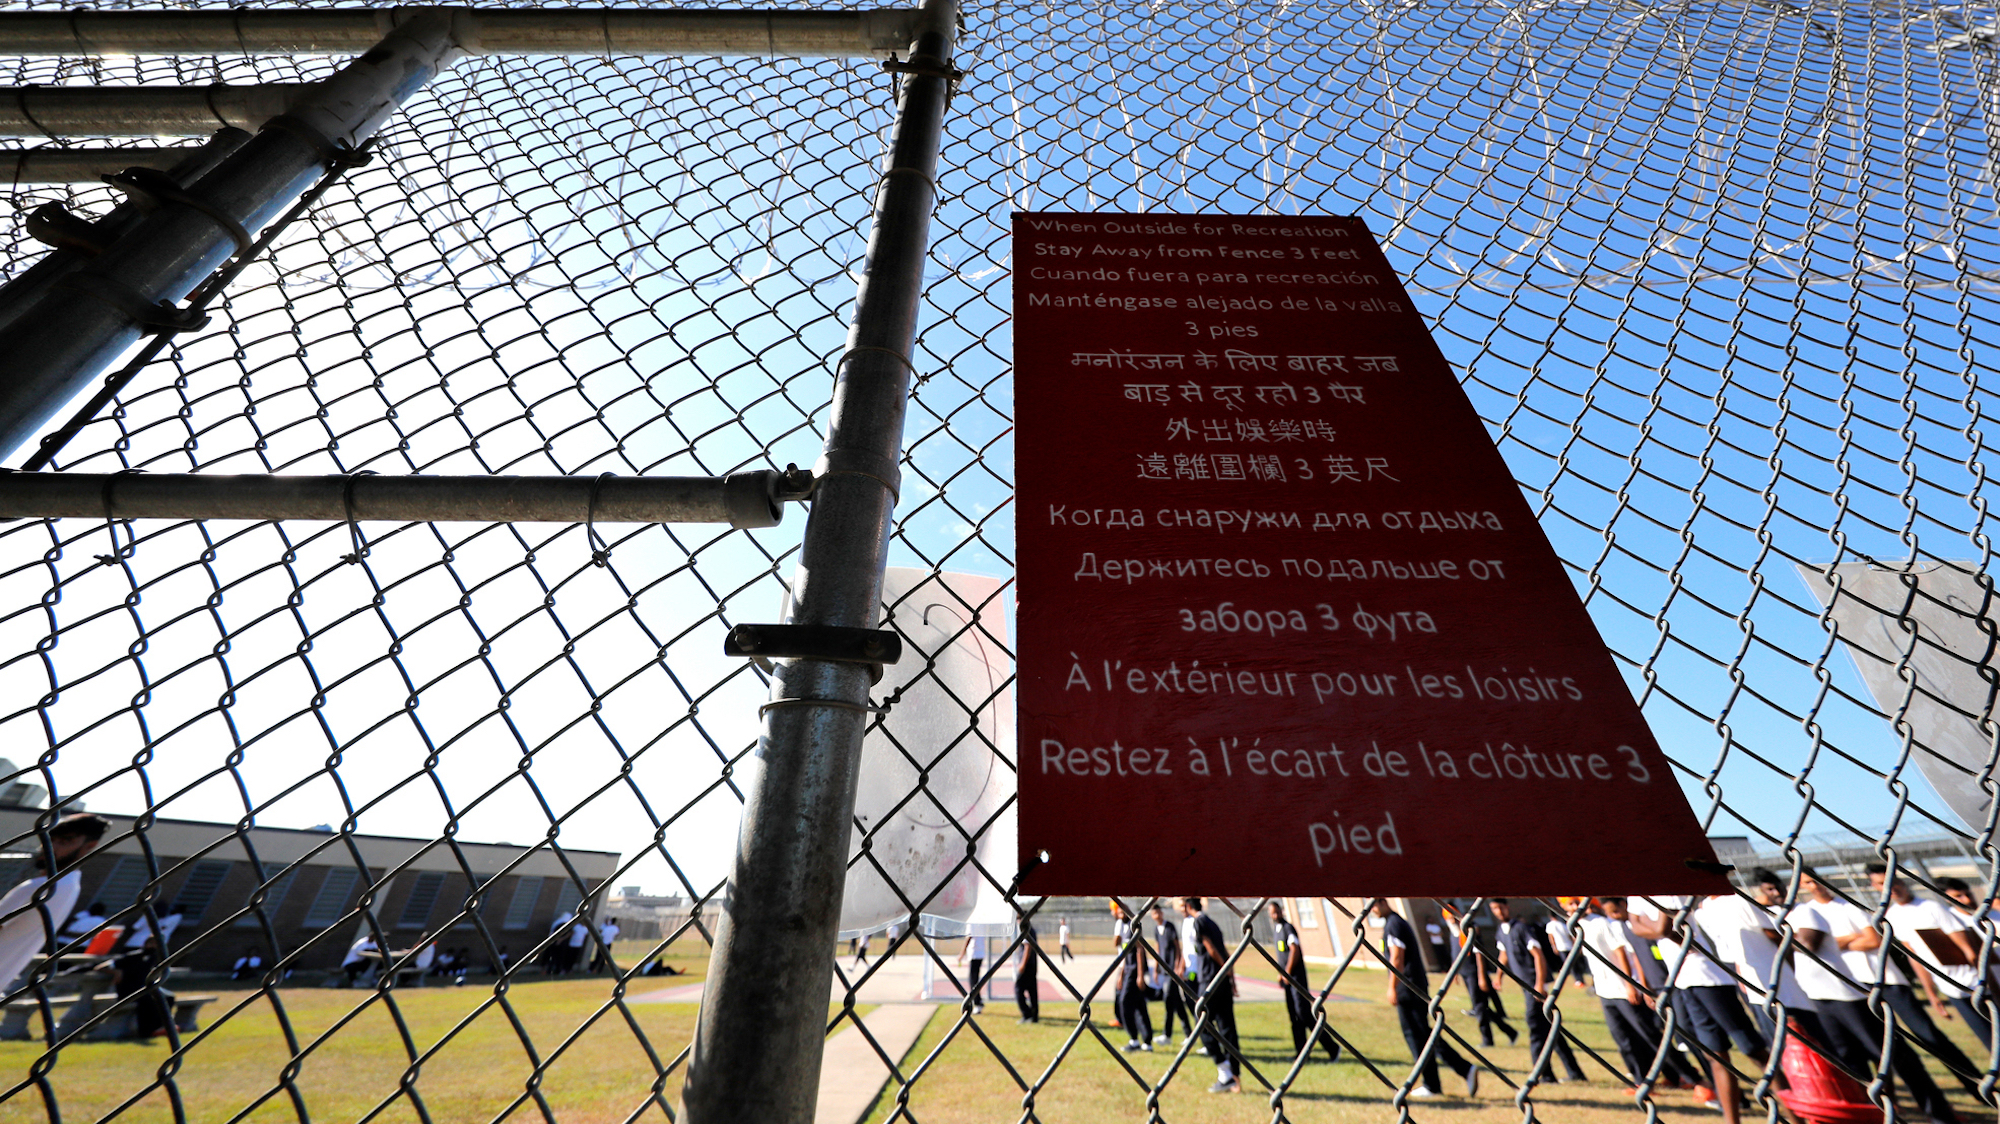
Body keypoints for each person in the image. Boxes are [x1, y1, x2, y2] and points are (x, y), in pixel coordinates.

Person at [1789, 872, 1960, 1124]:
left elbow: (1866, 940)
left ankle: (1941, 1114)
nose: (1813, 886)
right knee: (1852, 1064)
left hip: (1852, 993)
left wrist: (1836, 942)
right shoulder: (1792, 915)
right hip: (1818, 998)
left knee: (1898, 1053)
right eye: (1806, 882)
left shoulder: (1818, 911)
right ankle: (1880, 1114)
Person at [1629, 893, 1771, 1124]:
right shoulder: (1638, 893)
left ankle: (1796, 1113)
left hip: (1710, 976)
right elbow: (1637, 925)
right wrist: (1656, 928)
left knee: (1751, 1048)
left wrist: (1655, 928)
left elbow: (1666, 929)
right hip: (1683, 979)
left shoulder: (1668, 887)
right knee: (1715, 1055)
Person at [1867, 866, 1987, 1095]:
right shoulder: (1891, 917)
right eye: (1882, 884)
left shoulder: (1931, 907)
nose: (1891, 888)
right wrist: (1932, 994)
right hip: (1951, 989)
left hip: (1975, 984)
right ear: (1875, 888)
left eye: (1893, 881)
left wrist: (1986, 983)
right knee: (1988, 1040)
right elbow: (1916, 959)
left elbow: (1968, 948)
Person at [1580, 897, 1706, 1093]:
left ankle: (1689, 1076)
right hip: (1606, 991)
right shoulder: (1583, 926)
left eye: (1615, 910)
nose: (1614, 915)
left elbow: (1630, 955)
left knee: (1651, 1036)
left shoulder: (1617, 925)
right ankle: (1645, 1080)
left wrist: (1633, 985)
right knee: (1624, 1038)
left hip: (1626, 990)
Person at [1374, 898, 1478, 1098]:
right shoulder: (1394, 923)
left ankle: (1449, 1075)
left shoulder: (1394, 924)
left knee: (1416, 1035)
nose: (1371, 911)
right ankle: (1443, 1078)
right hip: (1413, 986)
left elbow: (1397, 957)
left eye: (1373, 905)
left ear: (1382, 902)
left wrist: (1392, 987)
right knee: (1423, 1035)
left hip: (1409, 987)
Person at [0, 813, 109, 994]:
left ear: (90, 846)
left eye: (65, 841)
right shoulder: (71, 885)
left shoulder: (38, 887)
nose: (50, 847)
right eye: (50, 839)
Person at [1490, 898, 1587, 1083]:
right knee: (1551, 1031)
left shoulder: (1521, 928)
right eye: (1494, 908)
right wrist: (1498, 977)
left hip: (1536, 986)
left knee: (1535, 1028)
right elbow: (1503, 954)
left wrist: (1539, 984)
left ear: (1507, 907)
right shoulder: (1501, 932)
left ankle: (1544, 1074)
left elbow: (1538, 954)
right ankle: (1575, 1072)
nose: (1499, 911)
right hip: (1525, 986)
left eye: (1501, 907)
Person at [1181, 897, 1240, 1093]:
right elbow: (1223, 949)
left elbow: (1211, 949)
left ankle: (1224, 1071)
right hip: (1222, 981)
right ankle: (1235, 1077)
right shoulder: (1213, 922)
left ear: (1189, 906)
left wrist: (1224, 969)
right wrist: (1230, 977)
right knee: (1227, 1026)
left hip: (1210, 979)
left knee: (1201, 1021)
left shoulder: (1198, 922)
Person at [1269, 901, 1339, 1062]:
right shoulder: (1276, 930)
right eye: (1272, 913)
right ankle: (1301, 1053)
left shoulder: (1288, 928)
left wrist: (1287, 972)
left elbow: (1295, 949)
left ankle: (1332, 1047)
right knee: (1294, 1017)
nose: (1275, 915)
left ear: (1281, 911)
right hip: (1287, 981)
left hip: (1296, 980)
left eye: (1277, 911)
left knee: (1304, 1014)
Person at [1445, 905, 1516, 1047]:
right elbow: (1455, 954)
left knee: (1479, 1007)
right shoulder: (1453, 933)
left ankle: (1487, 1040)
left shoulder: (1468, 931)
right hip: (1465, 973)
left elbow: (1479, 955)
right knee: (1481, 1007)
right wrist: (1455, 972)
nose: (1451, 920)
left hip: (1474, 973)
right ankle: (1510, 1031)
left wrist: (1481, 977)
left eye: (1453, 917)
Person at [1938, 876, 1997, 1042]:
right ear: (1946, 898)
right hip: (1977, 986)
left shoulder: (1992, 915)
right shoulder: (1950, 922)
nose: (1967, 899)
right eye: (1958, 896)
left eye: (1968, 893)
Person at [1111, 900, 1152, 1050]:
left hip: (1135, 971)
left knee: (1125, 1002)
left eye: (1123, 912)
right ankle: (1145, 1041)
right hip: (1127, 969)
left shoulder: (1133, 928)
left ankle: (1135, 1038)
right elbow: (1123, 954)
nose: (1120, 914)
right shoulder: (1122, 928)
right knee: (1139, 1005)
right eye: (1119, 912)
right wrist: (1121, 974)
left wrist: (1140, 976)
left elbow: (1140, 951)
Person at [1151, 904, 1192, 1044]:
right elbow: (1157, 949)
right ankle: (1188, 1033)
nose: (1157, 915)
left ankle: (1167, 1035)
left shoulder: (1170, 927)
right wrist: (1156, 969)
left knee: (1169, 999)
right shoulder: (1156, 930)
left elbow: (1177, 948)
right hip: (1164, 970)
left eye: (1158, 912)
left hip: (1172, 971)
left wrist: (1177, 966)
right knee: (1177, 1003)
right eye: (1154, 913)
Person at [1015, 917, 1040, 1024]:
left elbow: (1027, 947)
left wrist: (1022, 964)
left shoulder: (1026, 929)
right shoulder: (1032, 929)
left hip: (1027, 965)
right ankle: (1034, 1016)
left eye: (1018, 919)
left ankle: (1027, 1013)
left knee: (1018, 988)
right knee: (1032, 990)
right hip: (1032, 965)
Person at [958, 931, 988, 1013]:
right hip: (979, 952)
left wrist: (961, 954)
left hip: (975, 953)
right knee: (974, 979)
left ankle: (977, 1003)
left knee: (973, 980)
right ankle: (978, 1001)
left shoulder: (972, 924)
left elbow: (969, 937)